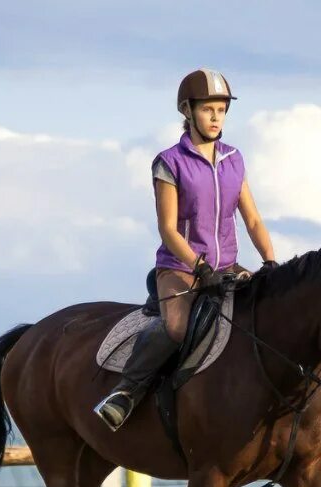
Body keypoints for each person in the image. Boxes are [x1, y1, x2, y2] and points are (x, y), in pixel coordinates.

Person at [95, 68, 278, 431]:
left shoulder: (234, 159)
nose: (215, 118)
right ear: (187, 111)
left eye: (221, 111)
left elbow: (253, 220)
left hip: (226, 266)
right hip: (180, 267)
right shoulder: (170, 162)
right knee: (178, 327)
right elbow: (167, 228)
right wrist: (199, 267)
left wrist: (270, 261)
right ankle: (126, 391)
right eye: (208, 110)